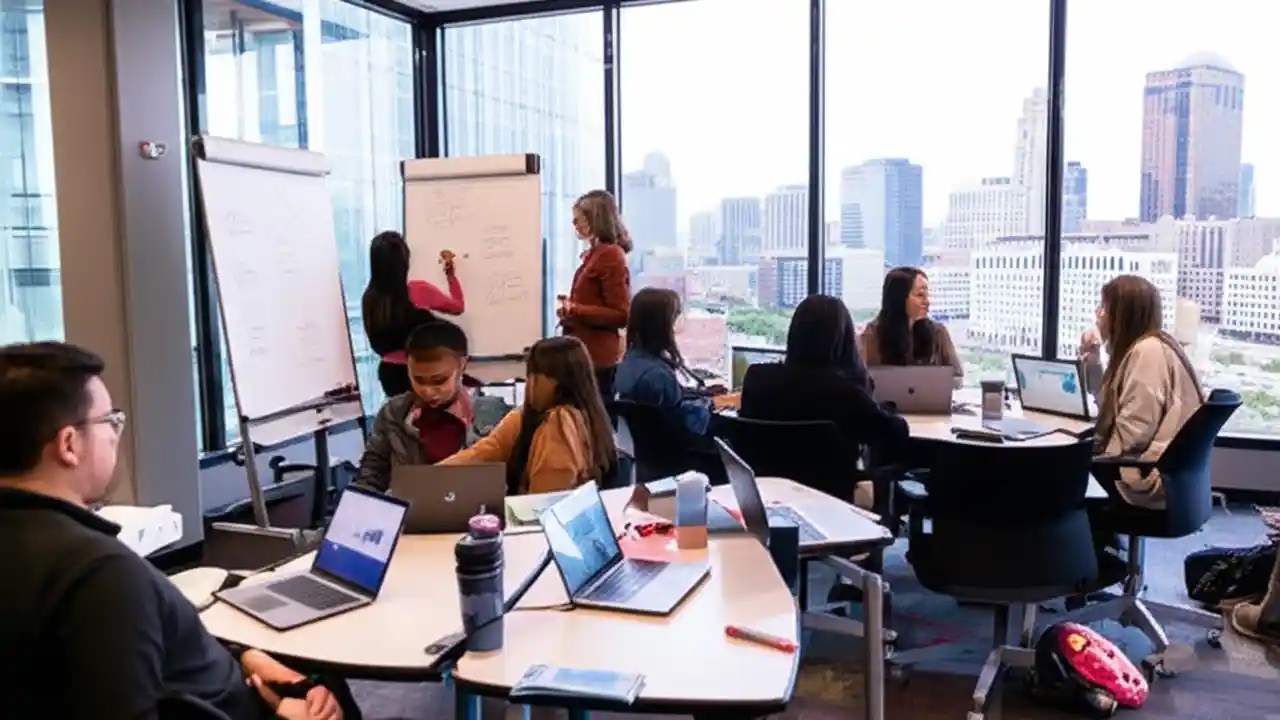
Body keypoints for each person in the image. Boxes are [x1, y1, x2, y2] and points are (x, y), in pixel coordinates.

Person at [0, 341, 351, 720]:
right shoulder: (97, 573)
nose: (116, 435)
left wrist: (244, 656)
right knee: (333, 693)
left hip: (239, 679)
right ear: (69, 444)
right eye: (110, 422)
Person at [740, 295, 910, 506]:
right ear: (844, 339)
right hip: (832, 505)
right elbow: (895, 435)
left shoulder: (757, 378)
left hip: (766, 501)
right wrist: (881, 406)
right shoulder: (845, 393)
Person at [1078, 274, 1204, 510]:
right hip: (1167, 475)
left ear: (1122, 315)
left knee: (1056, 475)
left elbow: (1133, 436)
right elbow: (1112, 407)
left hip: (1145, 478)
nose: (1098, 314)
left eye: (1104, 307)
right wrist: (1094, 363)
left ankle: (1098, 544)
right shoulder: (1148, 347)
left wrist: (1088, 454)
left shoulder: (1148, 353)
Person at [440, 336, 616, 495]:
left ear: (556, 382)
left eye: (534, 375)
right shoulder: (530, 417)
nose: (528, 384)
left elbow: (545, 500)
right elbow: (487, 450)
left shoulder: (560, 424)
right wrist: (428, 477)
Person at [357, 321, 505, 492]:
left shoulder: (491, 414)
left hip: (476, 515)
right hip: (410, 514)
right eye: (418, 379)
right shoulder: (394, 414)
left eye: (439, 381)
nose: (427, 391)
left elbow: (511, 478)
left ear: (462, 366)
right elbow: (371, 474)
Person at [614, 288, 738, 443]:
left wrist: (700, 393)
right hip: (685, 453)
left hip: (647, 455)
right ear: (663, 324)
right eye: (677, 313)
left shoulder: (628, 364)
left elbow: (667, 406)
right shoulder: (657, 375)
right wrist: (716, 403)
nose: (681, 318)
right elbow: (685, 422)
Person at [362, 230, 464, 398]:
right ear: (405, 262)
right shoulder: (418, 290)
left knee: (403, 420)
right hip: (423, 374)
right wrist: (451, 276)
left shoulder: (369, 299)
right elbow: (458, 307)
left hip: (389, 375)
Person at [559, 189, 632, 402]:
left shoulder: (610, 255)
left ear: (595, 219)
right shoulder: (594, 255)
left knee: (596, 423)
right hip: (583, 354)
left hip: (597, 359)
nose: (574, 224)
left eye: (579, 219)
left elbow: (621, 314)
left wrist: (576, 309)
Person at [860, 266, 963, 382]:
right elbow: (859, 380)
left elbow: (957, 377)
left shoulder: (938, 332)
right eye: (920, 295)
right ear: (899, 299)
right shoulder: (871, 335)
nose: (927, 302)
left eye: (927, 295)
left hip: (930, 399)